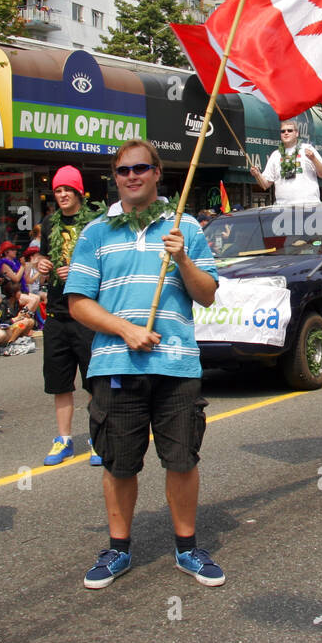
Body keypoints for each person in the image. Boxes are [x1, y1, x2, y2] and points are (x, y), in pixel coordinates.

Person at [65, 139, 225, 587]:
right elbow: (78, 303)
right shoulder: (95, 232)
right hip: (115, 366)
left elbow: (208, 294)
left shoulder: (186, 227)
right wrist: (126, 330)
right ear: (114, 178)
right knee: (118, 463)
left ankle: (187, 548)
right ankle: (117, 551)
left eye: (140, 168)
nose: (131, 176)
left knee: (181, 459)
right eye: (122, 170)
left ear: (157, 173)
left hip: (176, 366)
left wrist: (182, 258)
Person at [33, 165, 100, 465]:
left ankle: (98, 438)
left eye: (67, 190)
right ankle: (63, 440)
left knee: (94, 381)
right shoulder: (49, 223)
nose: (61, 195)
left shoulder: (95, 223)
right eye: (58, 190)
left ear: (78, 193)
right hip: (58, 312)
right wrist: (42, 264)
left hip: (87, 312)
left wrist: (78, 271)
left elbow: (105, 264)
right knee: (59, 383)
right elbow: (40, 256)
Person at [249, 119, 322, 205]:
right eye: (283, 131)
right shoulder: (276, 155)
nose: (286, 133)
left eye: (290, 130)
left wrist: (314, 158)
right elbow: (265, 185)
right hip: (283, 208)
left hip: (309, 206)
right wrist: (257, 175)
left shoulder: (307, 149)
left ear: (297, 133)